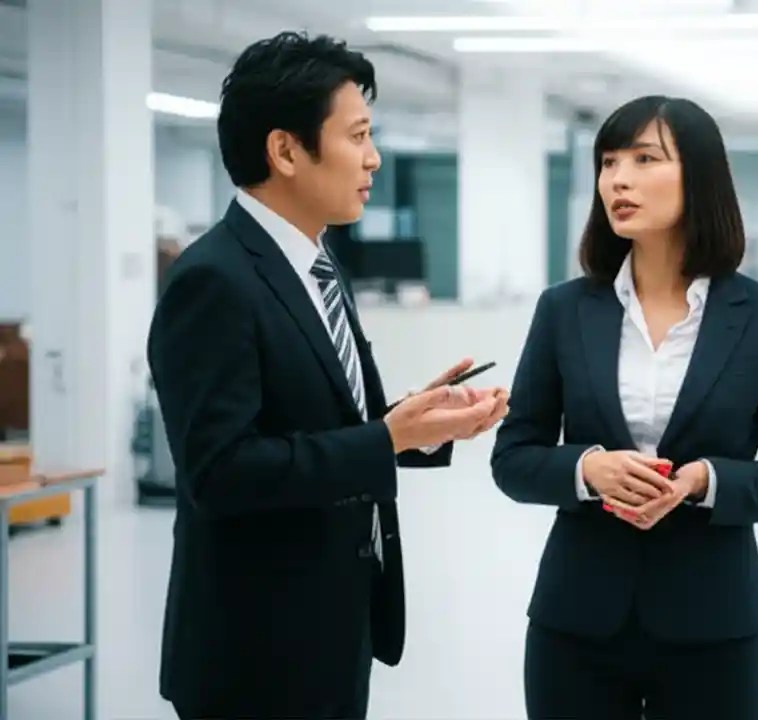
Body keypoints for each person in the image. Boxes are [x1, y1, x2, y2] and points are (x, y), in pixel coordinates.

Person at [147, 32, 508, 719]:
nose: (373, 158)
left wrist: (420, 422)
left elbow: (317, 422)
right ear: (285, 150)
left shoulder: (313, 262)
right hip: (255, 653)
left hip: (330, 628)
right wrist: (385, 441)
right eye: (359, 135)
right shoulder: (213, 280)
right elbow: (220, 472)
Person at [490, 95, 758, 720]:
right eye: (609, 161)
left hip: (717, 628)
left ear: (698, 176)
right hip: (576, 622)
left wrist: (707, 481)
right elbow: (513, 458)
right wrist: (587, 471)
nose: (618, 178)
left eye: (645, 159)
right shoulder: (564, 311)